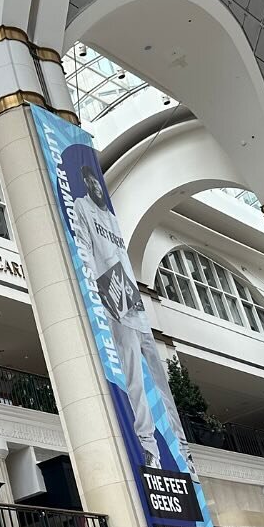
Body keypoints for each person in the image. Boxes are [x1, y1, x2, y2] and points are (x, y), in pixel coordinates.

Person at [67, 162, 192, 471]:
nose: (97, 188)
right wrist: (99, 289)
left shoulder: (111, 217)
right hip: (113, 296)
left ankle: (182, 446)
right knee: (134, 375)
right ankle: (149, 447)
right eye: (91, 183)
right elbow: (82, 247)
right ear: (85, 185)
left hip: (134, 300)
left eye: (99, 184)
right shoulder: (82, 206)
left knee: (159, 379)